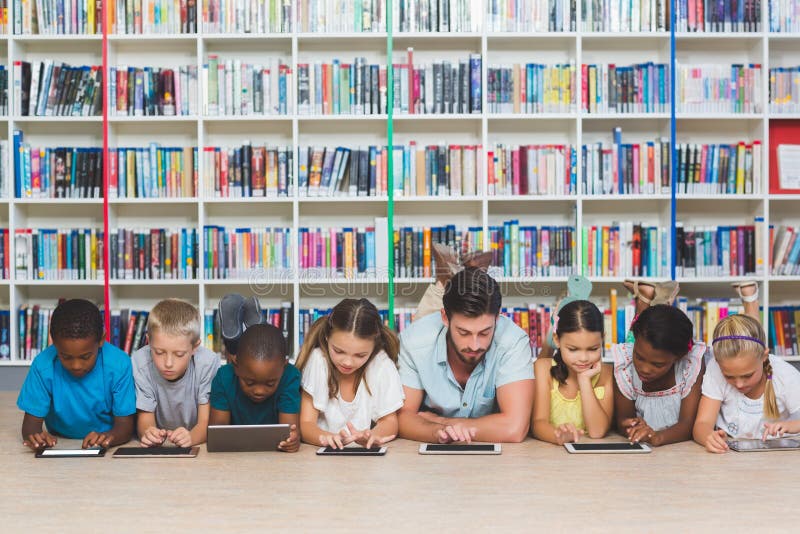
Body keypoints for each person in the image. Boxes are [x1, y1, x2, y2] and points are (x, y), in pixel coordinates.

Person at [397, 267, 535, 444]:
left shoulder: (513, 342)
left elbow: (514, 429)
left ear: (497, 318)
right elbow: (402, 418)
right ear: (445, 318)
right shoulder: (414, 341)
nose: (474, 345)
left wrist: (442, 423)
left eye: (485, 333)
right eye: (464, 332)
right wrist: (437, 432)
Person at [17, 299, 135, 450]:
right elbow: (29, 429)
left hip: (106, 437)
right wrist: (36, 438)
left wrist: (109, 437)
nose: (76, 366)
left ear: (101, 340)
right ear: (53, 342)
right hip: (60, 439)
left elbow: (125, 428)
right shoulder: (42, 365)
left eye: (85, 357)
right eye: (65, 357)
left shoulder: (119, 365)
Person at [296, 298, 404, 449]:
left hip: (365, 460)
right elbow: (306, 424)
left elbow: (390, 422)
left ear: (374, 347)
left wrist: (373, 436)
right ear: (327, 337)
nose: (347, 362)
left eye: (360, 355)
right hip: (322, 459)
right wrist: (327, 439)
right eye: (339, 351)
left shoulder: (381, 364)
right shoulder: (318, 360)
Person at [693, 313, 800, 453]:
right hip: (730, 454)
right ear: (718, 363)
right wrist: (708, 437)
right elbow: (702, 424)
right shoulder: (715, 369)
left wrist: (791, 425)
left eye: (748, 375)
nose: (739, 385)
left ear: (764, 356)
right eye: (729, 376)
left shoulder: (786, 375)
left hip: (777, 457)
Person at [132, 299, 220, 447]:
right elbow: (145, 419)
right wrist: (148, 433)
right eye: (159, 352)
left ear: (195, 347)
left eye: (179, 354)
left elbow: (206, 422)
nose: (168, 363)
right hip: (160, 449)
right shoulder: (140, 362)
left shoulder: (207, 363)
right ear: (148, 342)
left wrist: (191, 437)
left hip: (196, 444)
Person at [209, 323, 301, 452]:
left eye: (270, 384)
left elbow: (289, 431)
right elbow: (218, 435)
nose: (259, 391)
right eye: (249, 382)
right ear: (236, 365)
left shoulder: (290, 376)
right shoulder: (224, 377)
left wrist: (292, 441)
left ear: (283, 368)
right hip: (233, 458)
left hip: (277, 458)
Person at [532, 300, 613, 444]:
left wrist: (584, 380)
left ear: (602, 339)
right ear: (557, 340)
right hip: (552, 457)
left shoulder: (606, 373)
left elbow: (597, 432)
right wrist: (558, 436)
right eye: (573, 349)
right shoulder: (542, 368)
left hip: (593, 460)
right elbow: (538, 423)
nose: (583, 358)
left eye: (593, 349)